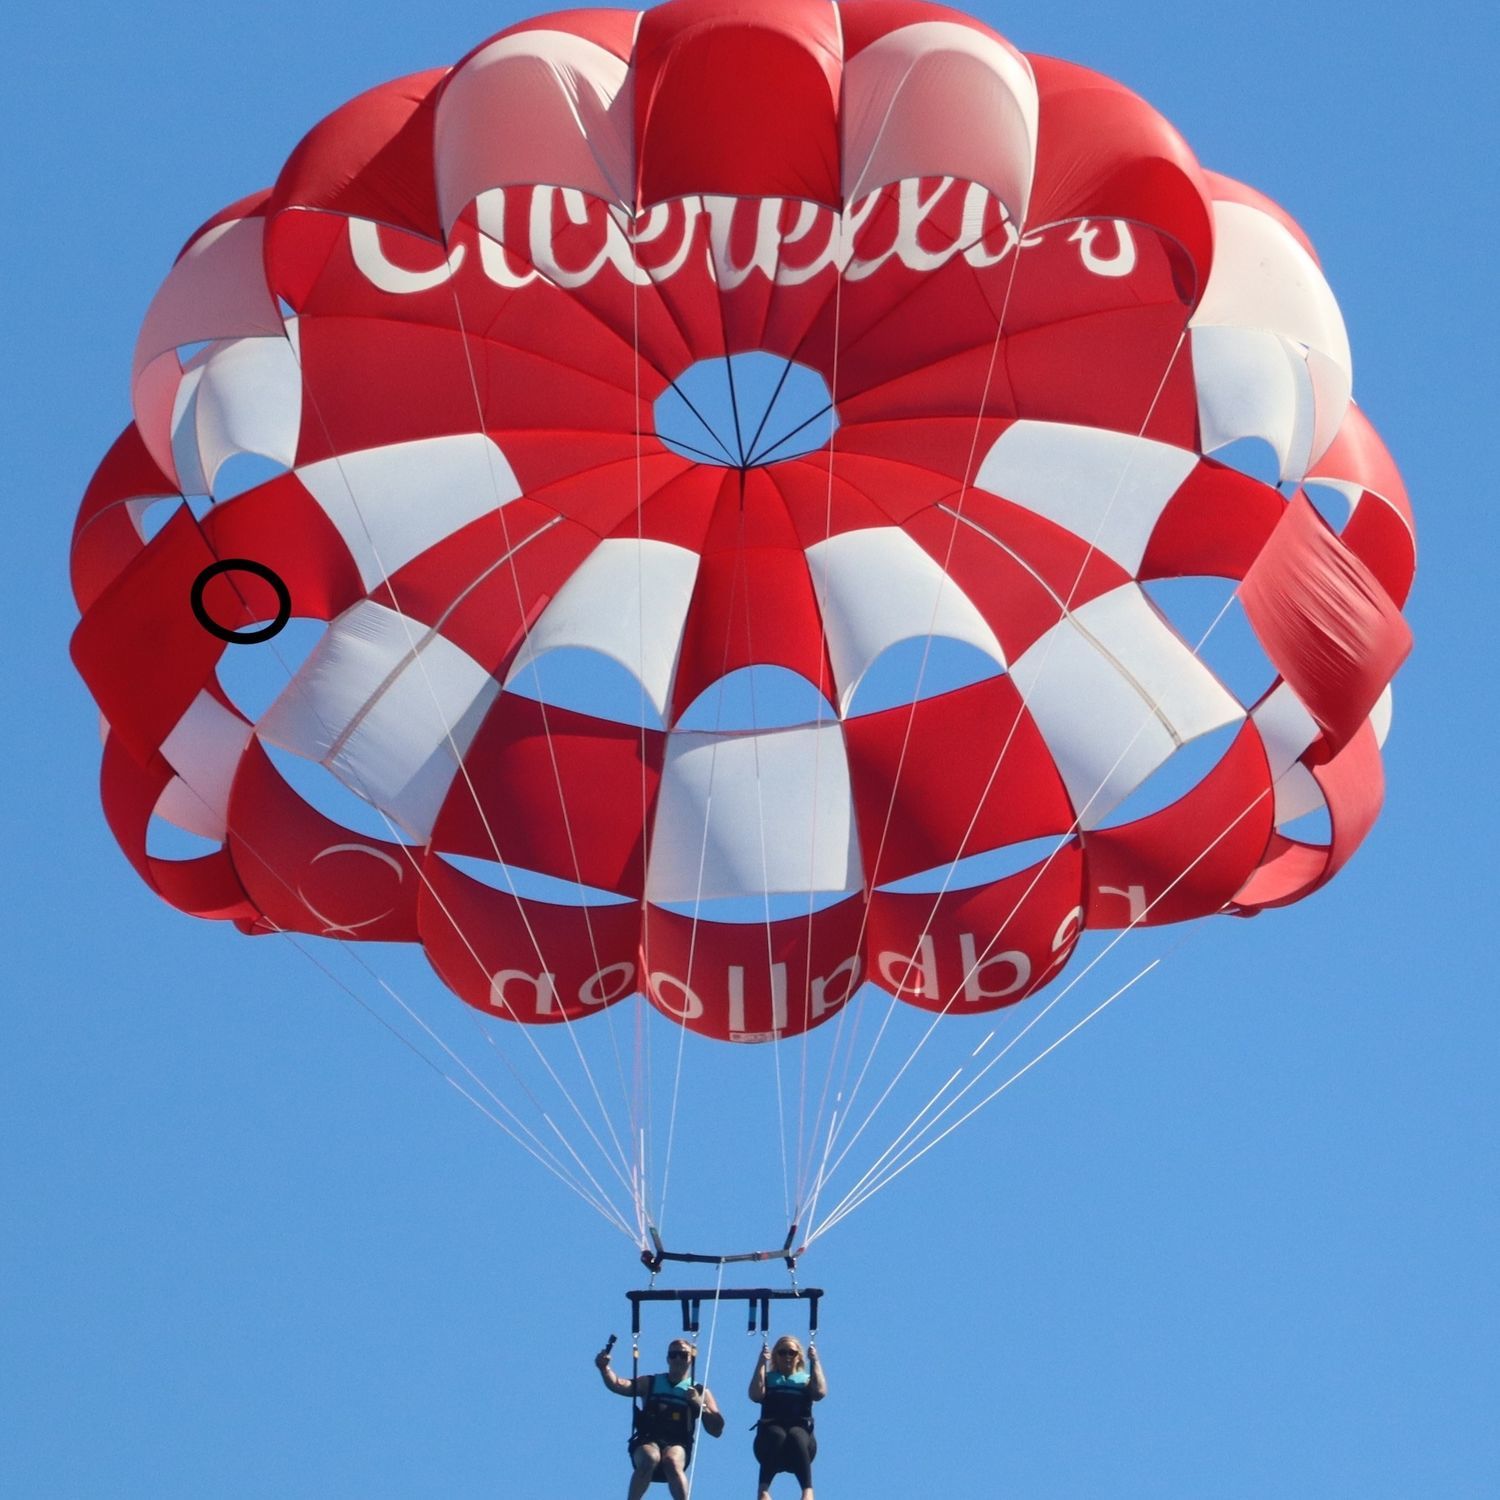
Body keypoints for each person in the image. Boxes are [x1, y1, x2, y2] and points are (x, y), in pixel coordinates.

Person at [596, 1337, 725, 1500]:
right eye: (673, 1355)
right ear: (667, 1359)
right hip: (647, 1440)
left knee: (671, 1460)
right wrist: (605, 1369)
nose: (677, 1358)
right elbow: (620, 1385)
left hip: (678, 1443)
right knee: (651, 1458)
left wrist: (699, 1404)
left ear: (691, 1359)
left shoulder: (700, 1390)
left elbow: (717, 1429)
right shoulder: (650, 1382)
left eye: (683, 1354)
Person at [748, 1334, 826, 1500]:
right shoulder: (768, 1379)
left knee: (795, 1435)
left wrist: (815, 1361)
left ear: (799, 1357)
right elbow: (755, 1395)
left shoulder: (806, 1380)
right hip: (769, 1439)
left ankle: (807, 1491)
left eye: (792, 1352)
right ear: (775, 1356)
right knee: (777, 1434)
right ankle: (763, 1491)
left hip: (801, 1440)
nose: (787, 1356)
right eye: (782, 1352)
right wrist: (761, 1362)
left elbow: (819, 1393)